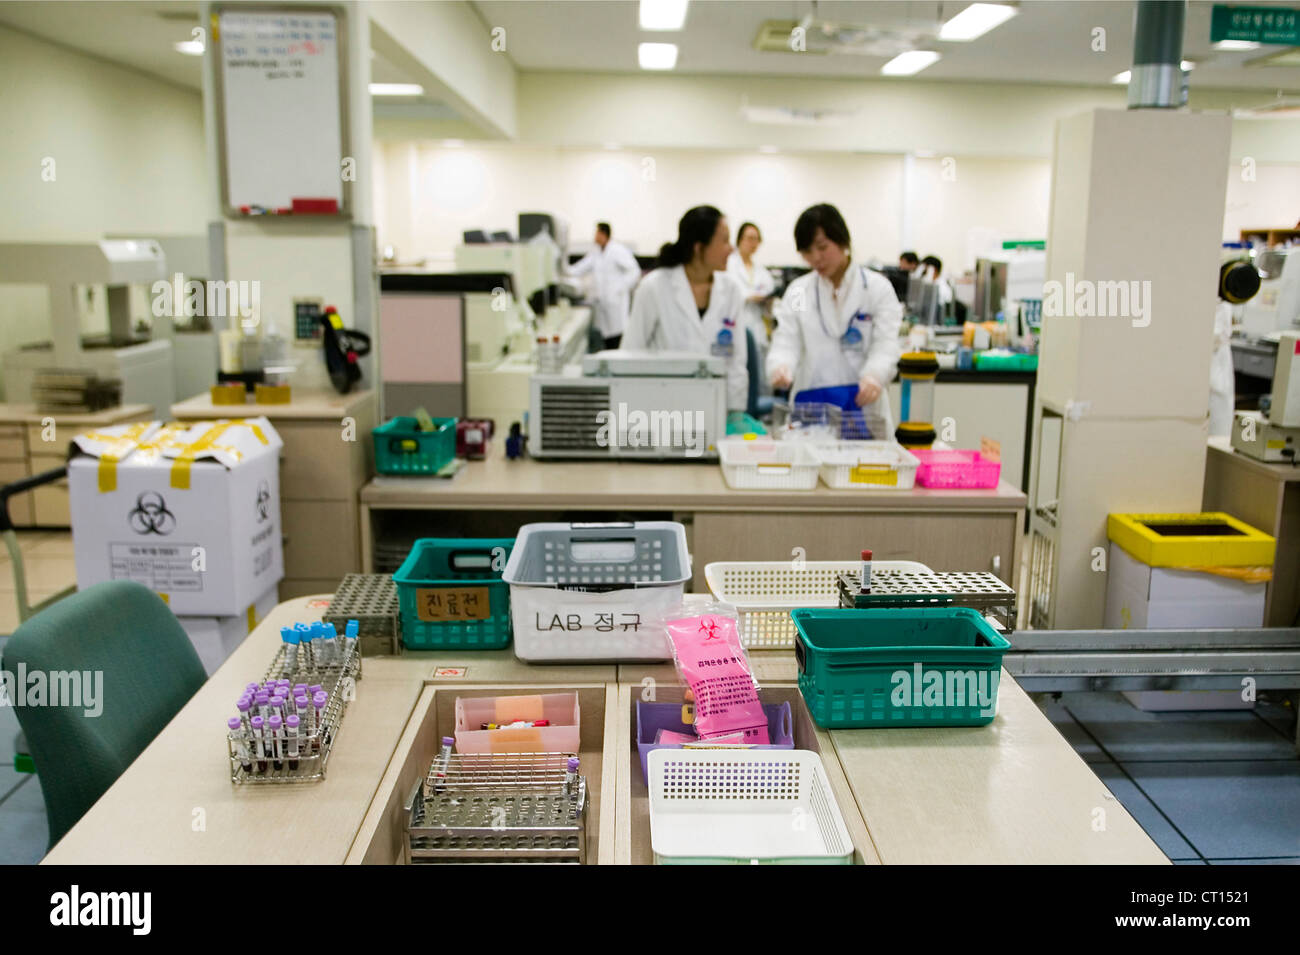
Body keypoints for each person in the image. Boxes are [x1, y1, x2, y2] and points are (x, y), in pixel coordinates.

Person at [768, 203, 903, 440]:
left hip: (862, 405)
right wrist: (781, 366)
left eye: (822, 247)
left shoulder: (876, 288)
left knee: (866, 472)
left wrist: (876, 375)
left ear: (842, 241)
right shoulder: (800, 291)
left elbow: (887, 344)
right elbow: (786, 340)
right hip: (812, 405)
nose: (816, 258)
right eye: (807, 252)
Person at [623, 205, 748, 412]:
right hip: (662, 411)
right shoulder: (654, 287)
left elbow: (736, 362)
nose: (731, 248)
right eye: (724, 240)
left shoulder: (731, 291)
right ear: (699, 248)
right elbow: (629, 354)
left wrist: (735, 412)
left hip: (715, 408)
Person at [568, 222, 641, 349]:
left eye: (596, 233)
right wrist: (564, 271)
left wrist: (620, 288)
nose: (594, 236)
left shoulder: (617, 250)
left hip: (616, 303)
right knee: (606, 338)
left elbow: (634, 271)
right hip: (603, 305)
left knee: (617, 339)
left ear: (603, 234)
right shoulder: (596, 252)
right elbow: (581, 267)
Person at [726, 222, 776, 340]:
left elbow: (769, 296)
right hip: (734, 323)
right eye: (750, 238)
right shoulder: (728, 266)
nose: (753, 243)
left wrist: (768, 301)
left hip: (758, 327)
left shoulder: (763, 272)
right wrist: (748, 297)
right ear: (739, 240)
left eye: (756, 239)